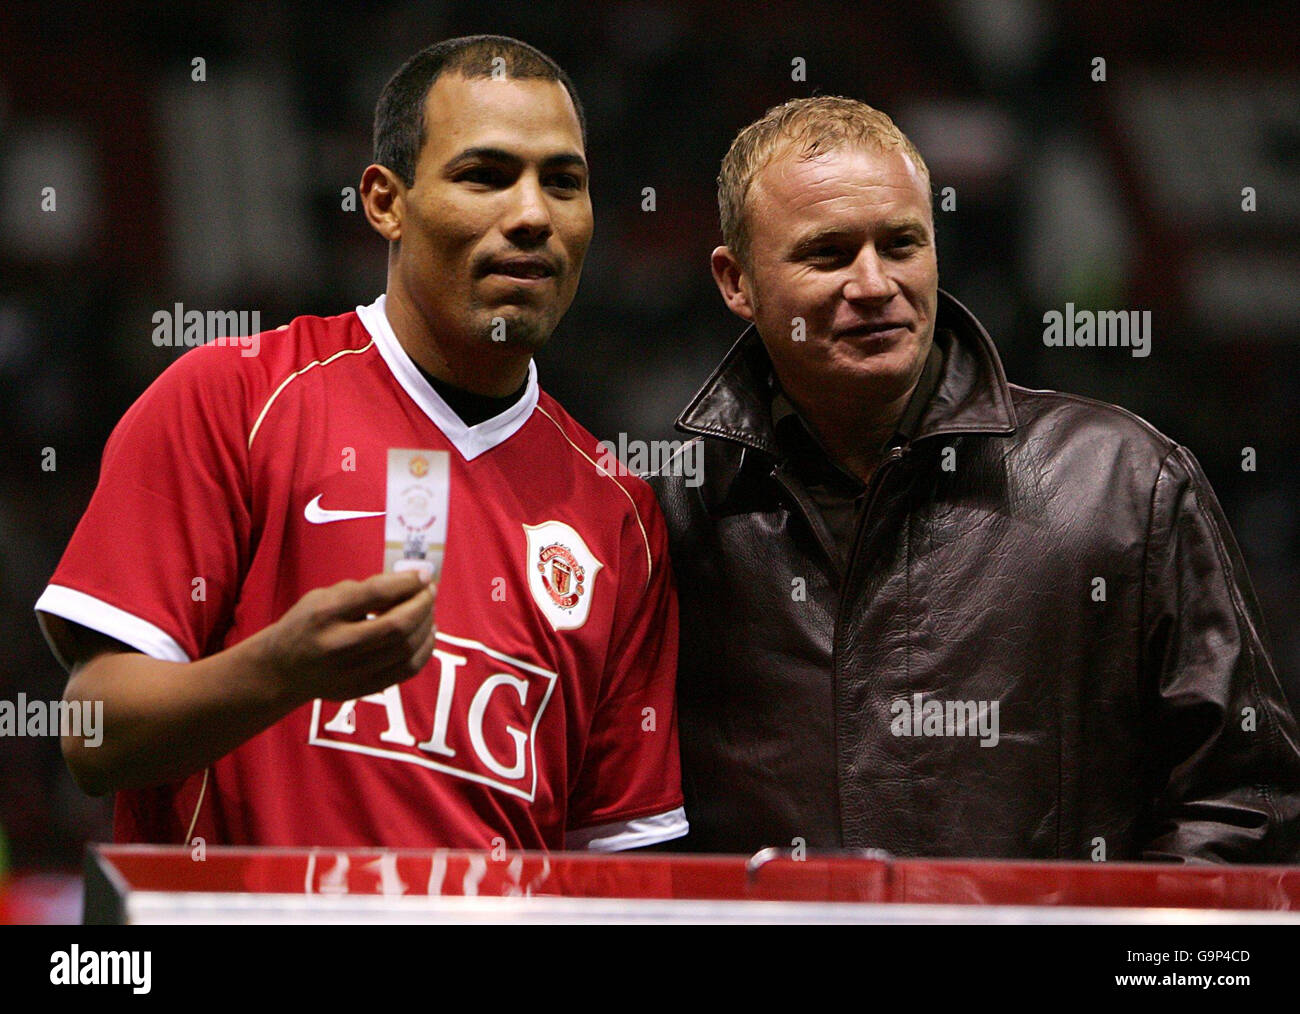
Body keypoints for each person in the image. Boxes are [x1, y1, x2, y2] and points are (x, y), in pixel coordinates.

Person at [35, 35, 686, 853]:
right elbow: (94, 736)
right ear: (385, 202)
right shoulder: (232, 396)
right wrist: (279, 671)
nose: (532, 215)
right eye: (485, 175)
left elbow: (614, 859)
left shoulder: (618, 511)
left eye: (564, 183)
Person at [649, 96, 1300, 862]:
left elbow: (1244, 805)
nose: (874, 282)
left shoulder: (1122, 479)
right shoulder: (661, 509)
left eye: (901, 244)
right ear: (736, 281)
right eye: (827, 253)